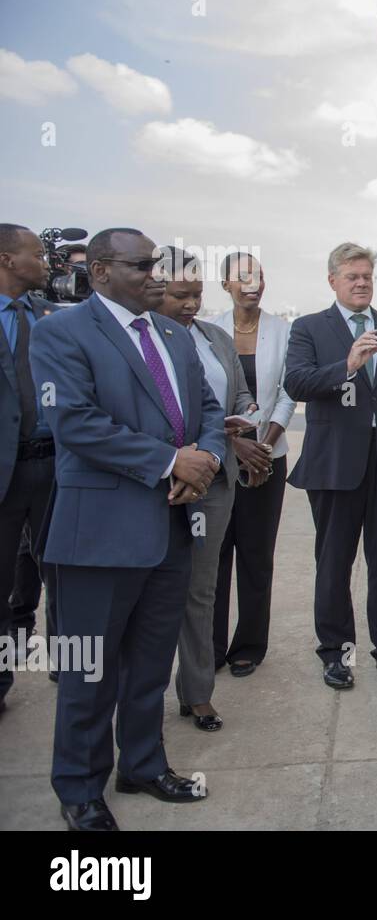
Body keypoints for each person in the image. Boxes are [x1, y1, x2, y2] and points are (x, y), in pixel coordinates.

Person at [29, 227, 225, 830]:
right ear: (101, 269)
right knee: (91, 672)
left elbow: (211, 411)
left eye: (158, 265)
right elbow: (74, 422)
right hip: (101, 533)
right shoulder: (61, 332)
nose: (156, 276)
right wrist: (169, 462)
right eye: (143, 266)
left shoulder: (172, 333)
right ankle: (80, 789)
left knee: (148, 662)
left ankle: (141, 764)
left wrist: (208, 460)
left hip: (169, 527)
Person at [284, 242, 377, 691]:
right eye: (352, 276)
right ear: (332, 281)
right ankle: (336, 653)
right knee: (334, 562)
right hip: (335, 464)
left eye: (367, 276)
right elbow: (297, 382)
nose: (361, 282)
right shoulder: (309, 328)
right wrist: (346, 364)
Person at [156, 248, 266, 732]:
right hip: (156, 485)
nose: (190, 305)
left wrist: (240, 425)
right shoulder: (142, 343)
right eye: (180, 295)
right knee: (151, 595)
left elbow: (240, 394)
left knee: (200, 591)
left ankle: (197, 692)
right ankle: (140, 697)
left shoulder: (216, 338)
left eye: (197, 295)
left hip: (214, 484)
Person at [211, 252, 294, 677]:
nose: (253, 283)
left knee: (257, 555)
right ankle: (210, 646)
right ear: (225, 283)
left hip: (268, 456)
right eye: (242, 277)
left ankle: (249, 644)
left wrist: (265, 444)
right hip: (218, 460)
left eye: (259, 275)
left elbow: (288, 390)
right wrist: (236, 445)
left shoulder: (284, 331)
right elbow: (203, 397)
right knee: (215, 554)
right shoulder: (208, 332)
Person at [0, 225, 56, 711]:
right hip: (5, 471)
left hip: (52, 468)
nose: (47, 263)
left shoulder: (49, 318)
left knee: (63, 568)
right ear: (7, 260)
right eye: (37, 255)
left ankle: (68, 658)